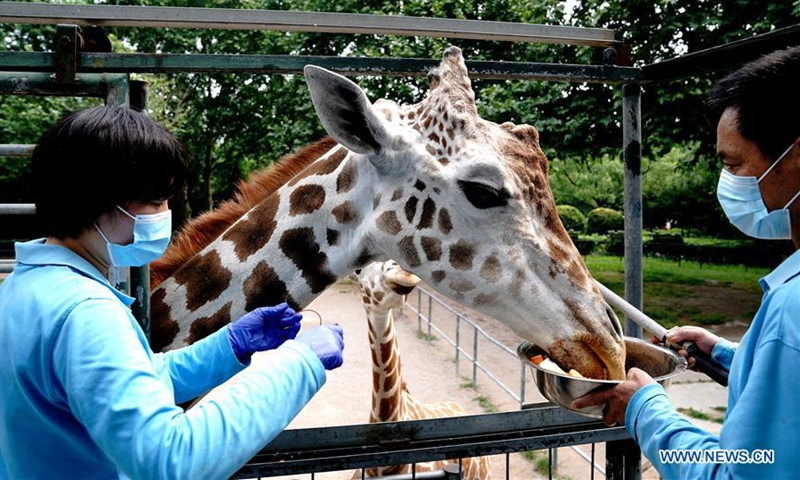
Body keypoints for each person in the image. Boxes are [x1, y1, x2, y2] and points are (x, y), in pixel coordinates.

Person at [0, 106, 346, 479]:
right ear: (98, 198)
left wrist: (231, 344)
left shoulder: (25, 286)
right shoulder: (86, 313)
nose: (165, 212)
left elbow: (137, 377)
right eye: (155, 200)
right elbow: (171, 459)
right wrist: (300, 364)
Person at [573, 46, 800, 478]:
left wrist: (645, 410)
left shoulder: (791, 310)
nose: (728, 182)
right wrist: (732, 356)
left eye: (734, 164)